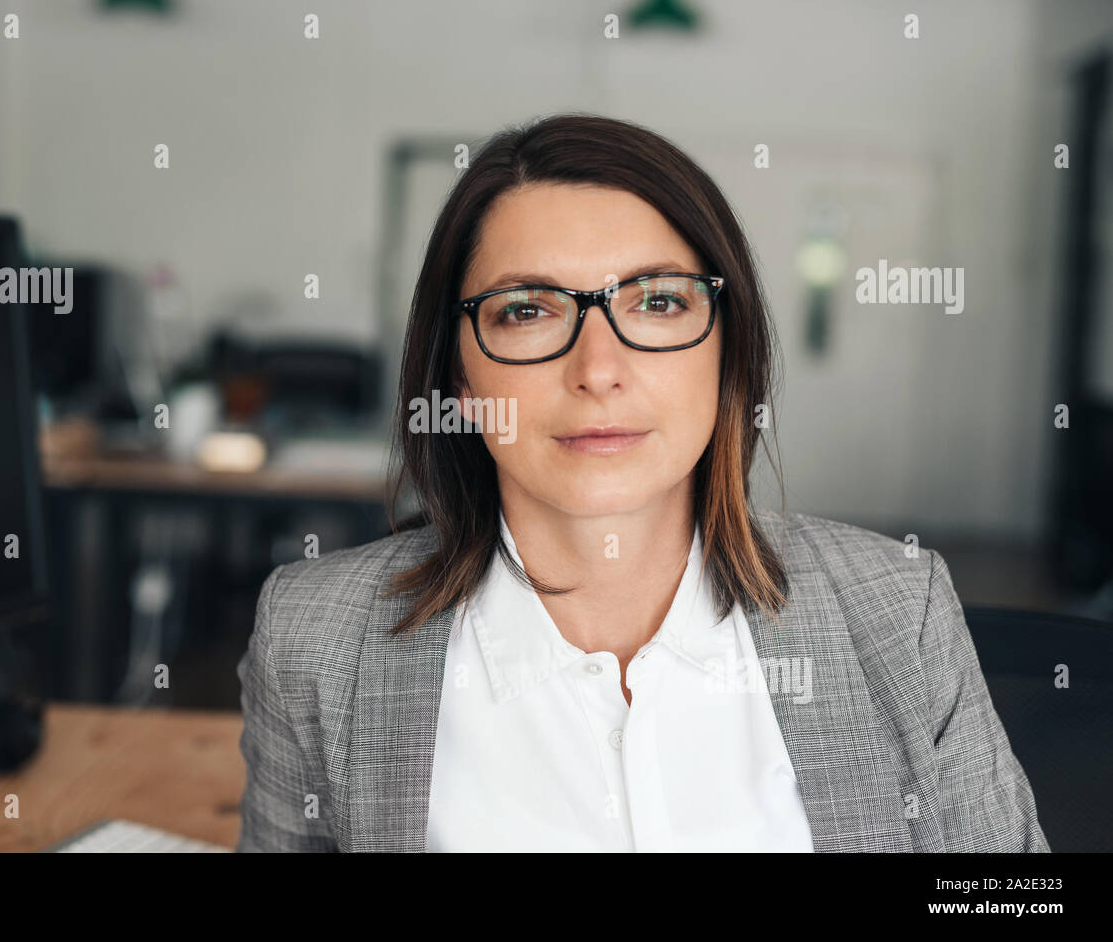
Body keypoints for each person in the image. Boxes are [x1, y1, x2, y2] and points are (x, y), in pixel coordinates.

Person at [236, 113, 1049, 852]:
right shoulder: (313, 638)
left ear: (729, 357)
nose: (599, 370)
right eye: (527, 309)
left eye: (657, 301)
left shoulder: (898, 608)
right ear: (457, 379)